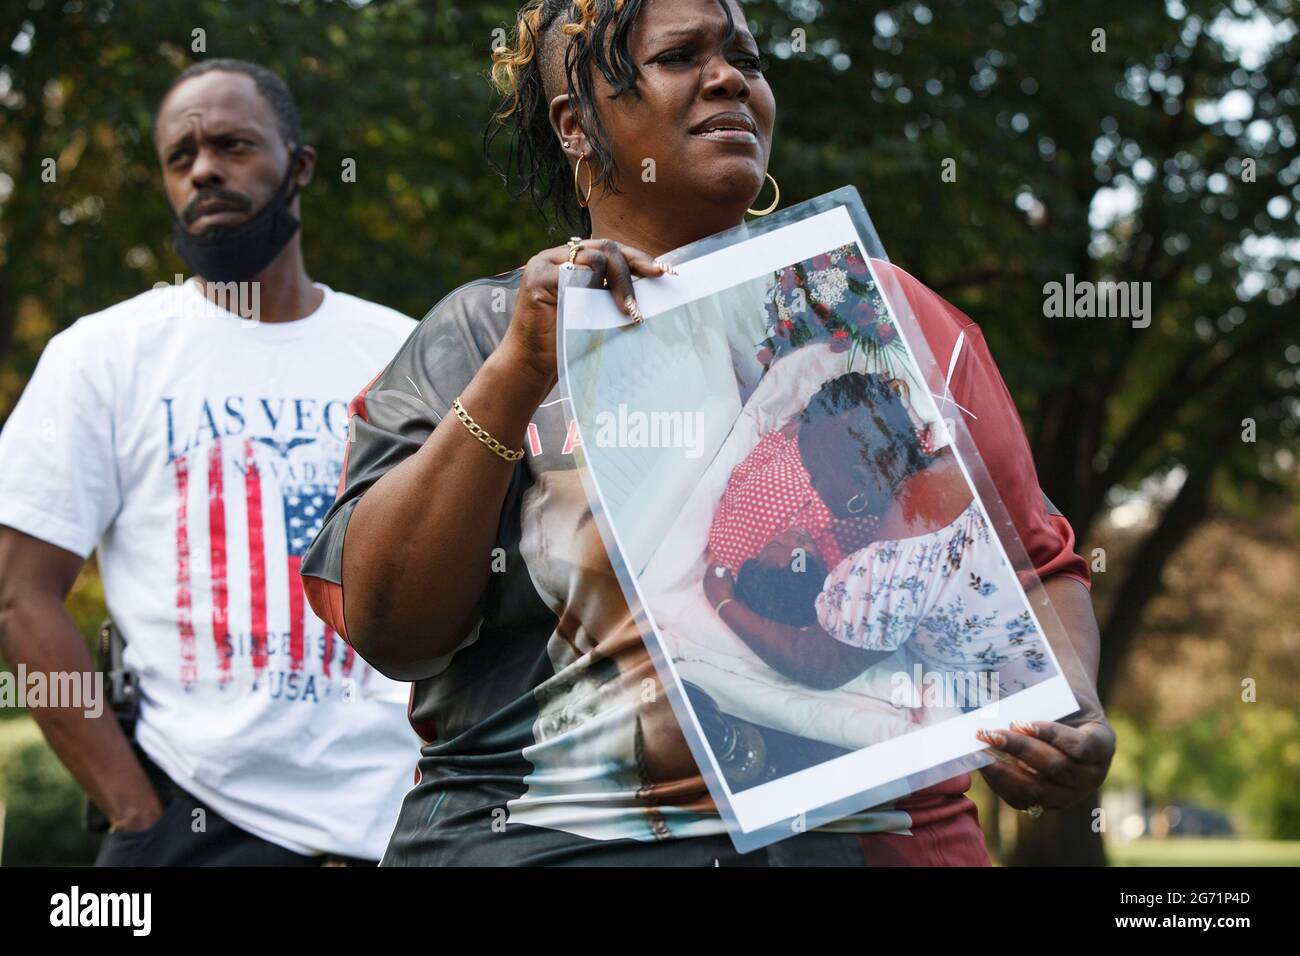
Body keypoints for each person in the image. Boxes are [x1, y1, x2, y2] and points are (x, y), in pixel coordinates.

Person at [302, 0, 1114, 866]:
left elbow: (1032, 568)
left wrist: (1065, 713)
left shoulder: (881, 315)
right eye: (680, 55)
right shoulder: (483, 334)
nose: (729, 77)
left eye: (746, 58)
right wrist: (517, 374)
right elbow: (390, 627)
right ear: (577, 126)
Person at [0, 59, 420, 866]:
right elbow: (20, 595)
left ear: (299, 167)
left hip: (399, 820)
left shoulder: (404, 349)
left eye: (233, 146)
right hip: (197, 820)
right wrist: (134, 816)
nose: (203, 171)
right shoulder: (104, 356)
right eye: (179, 157)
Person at [705, 372, 1050, 698]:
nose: (811, 485)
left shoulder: (881, 571)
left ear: (857, 480)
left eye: (815, 474)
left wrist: (725, 602)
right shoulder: (969, 459)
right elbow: (1059, 560)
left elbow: (815, 662)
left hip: (1010, 712)